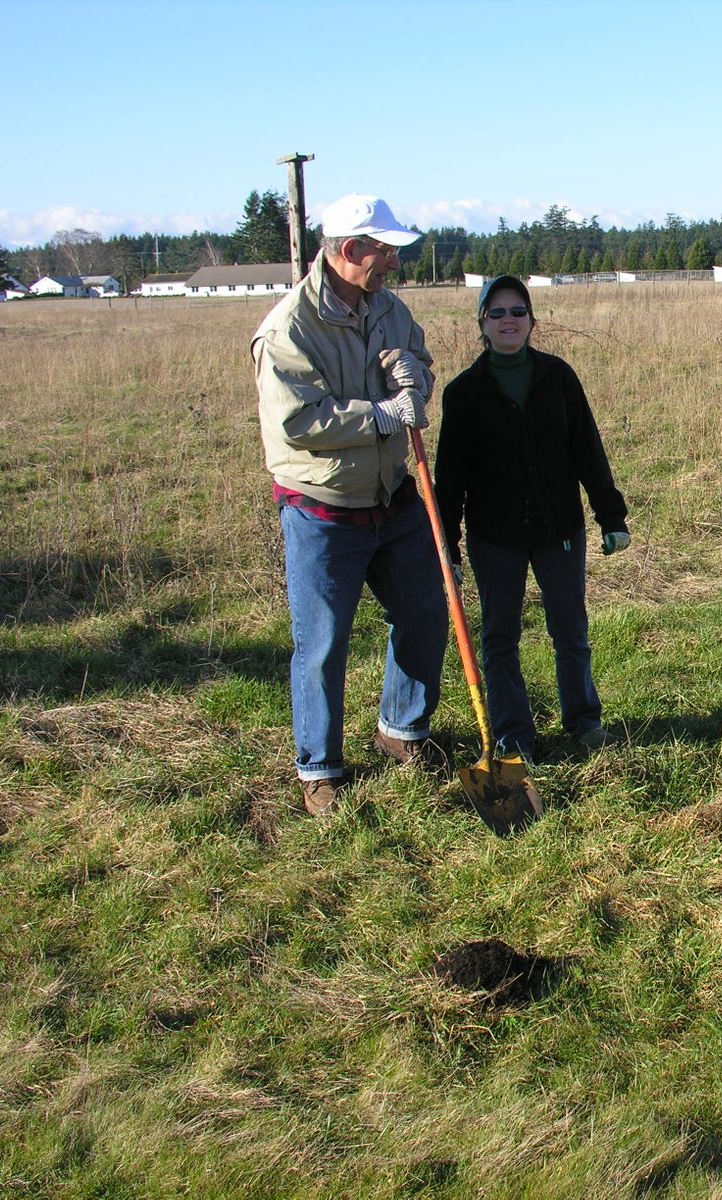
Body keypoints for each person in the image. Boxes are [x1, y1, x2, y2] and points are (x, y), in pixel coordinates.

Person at [251, 193, 446, 816]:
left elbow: (418, 361)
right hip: (322, 507)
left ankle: (402, 728)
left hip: (394, 497)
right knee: (323, 642)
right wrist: (383, 414)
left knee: (424, 612)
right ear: (348, 250)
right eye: (384, 250)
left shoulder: (389, 308)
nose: (392, 261)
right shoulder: (288, 328)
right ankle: (319, 767)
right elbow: (300, 422)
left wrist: (412, 373)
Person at [433, 275, 629, 764]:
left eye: (517, 311)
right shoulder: (463, 394)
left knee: (571, 628)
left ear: (531, 320)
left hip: (558, 528)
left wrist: (610, 515)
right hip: (493, 535)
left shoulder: (557, 377)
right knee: (500, 635)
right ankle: (513, 736)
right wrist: (448, 548)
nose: (508, 321)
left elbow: (588, 450)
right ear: (482, 321)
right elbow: (449, 480)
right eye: (496, 312)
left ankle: (584, 722)